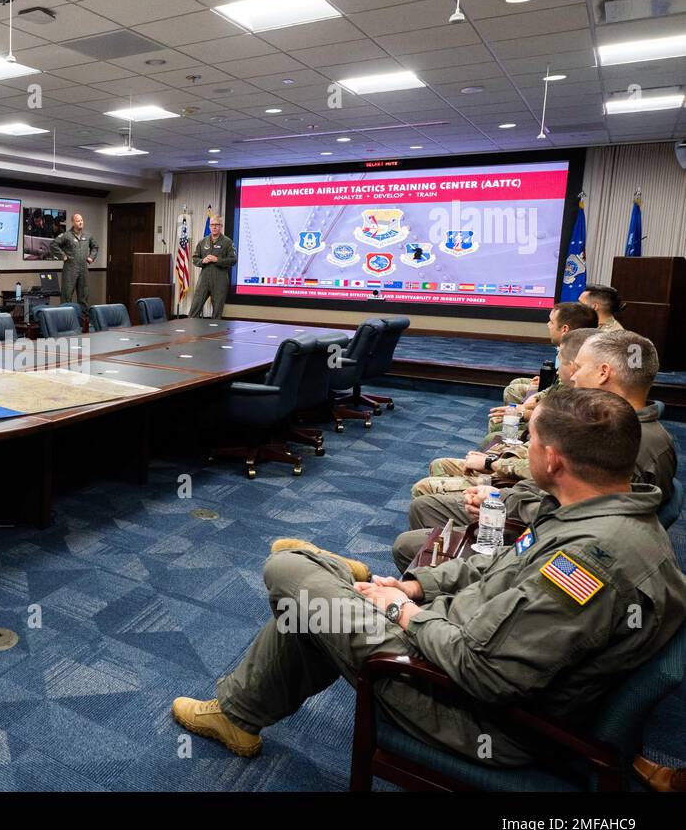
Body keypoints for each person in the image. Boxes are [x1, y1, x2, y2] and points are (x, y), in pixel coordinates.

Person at [173, 388, 686, 766]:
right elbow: (501, 566)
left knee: (288, 571)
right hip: (454, 635)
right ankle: (239, 711)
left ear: (552, 459)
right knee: (311, 604)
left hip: (474, 711)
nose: (524, 447)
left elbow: (487, 674)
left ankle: (321, 599)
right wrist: (417, 587)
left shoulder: (591, 562)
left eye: (530, 439)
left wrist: (403, 612)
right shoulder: (601, 514)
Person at [393, 331, 676, 569]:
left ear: (603, 373)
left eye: (579, 367)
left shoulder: (626, 442)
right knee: (425, 507)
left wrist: (502, 503)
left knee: (410, 541)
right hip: (532, 506)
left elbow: (577, 521)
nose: (572, 377)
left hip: (538, 538)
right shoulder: (622, 427)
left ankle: (434, 592)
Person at [410, 327, 596, 497]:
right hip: (521, 475)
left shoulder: (587, 414)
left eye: (563, 360)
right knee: (443, 464)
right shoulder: (580, 397)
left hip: (524, 491)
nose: (559, 370)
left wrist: (493, 464)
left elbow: (545, 468)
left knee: (424, 488)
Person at [500, 301, 597, 408]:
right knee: (517, 382)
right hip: (556, 392)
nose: (548, 325)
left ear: (564, 329)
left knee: (511, 391)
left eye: (551, 322)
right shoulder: (579, 347)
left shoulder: (573, 355)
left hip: (560, 404)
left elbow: (562, 391)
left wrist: (527, 409)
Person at [188, 215, 235, 319]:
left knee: (217, 312)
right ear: (209, 227)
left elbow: (233, 260)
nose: (214, 227)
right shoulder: (202, 242)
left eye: (217, 225)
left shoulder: (228, 242)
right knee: (194, 309)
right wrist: (202, 261)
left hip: (220, 280)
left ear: (221, 226)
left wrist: (217, 260)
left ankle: (213, 334)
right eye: (212, 225)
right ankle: (191, 333)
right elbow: (195, 259)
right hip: (204, 279)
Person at [49, 213, 98, 309]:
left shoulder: (88, 236)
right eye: (78, 221)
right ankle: (66, 318)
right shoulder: (66, 235)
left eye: (81, 220)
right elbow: (53, 245)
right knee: (66, 295)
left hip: (83, 268)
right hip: (70, 268)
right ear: (73, 222)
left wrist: (91, 257)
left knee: (84, 295)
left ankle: (83, 320)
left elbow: (95, 247)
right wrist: (63, 256)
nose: (80, 222)